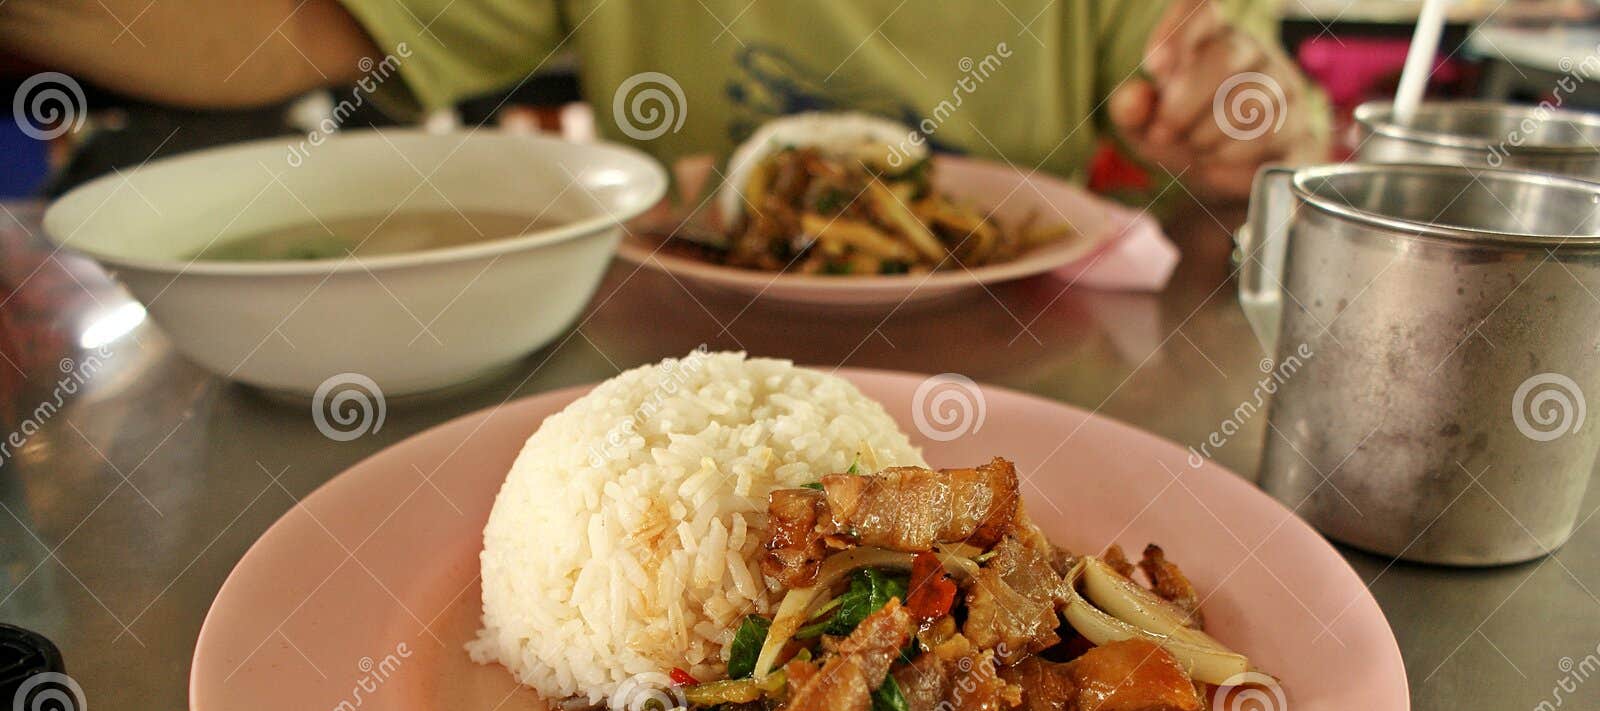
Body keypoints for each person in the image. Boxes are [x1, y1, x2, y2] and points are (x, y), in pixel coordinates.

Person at [1, 0, 1324, 200]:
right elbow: (300, 28)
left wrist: (1244, 115)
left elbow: (1267, 105)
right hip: (683, 353)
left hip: (1051, 379)